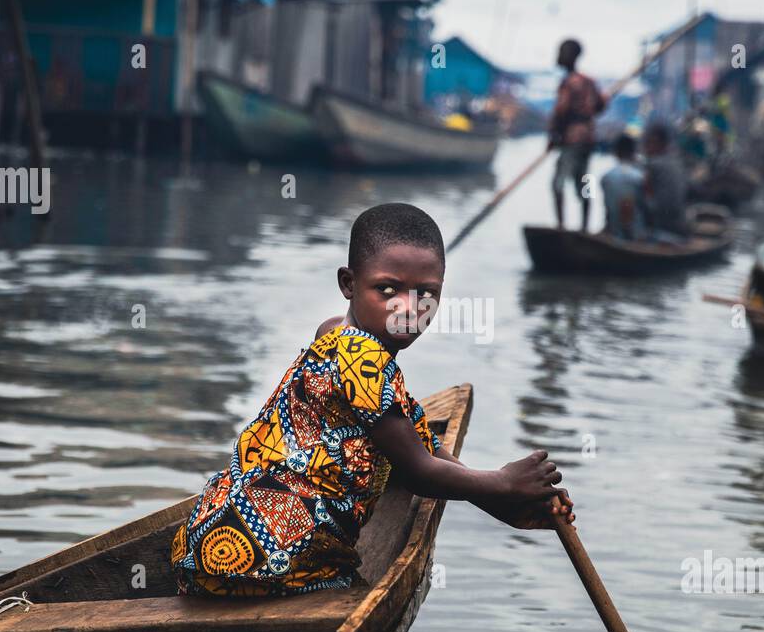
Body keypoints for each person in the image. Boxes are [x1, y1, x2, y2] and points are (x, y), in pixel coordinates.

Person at [171, 203, 574, 598]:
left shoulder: (333, 333)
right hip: (268, 560)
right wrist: (503, 481)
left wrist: (502, 501)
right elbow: (417, 470)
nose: (407, 309)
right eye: (387, 290)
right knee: (354, 590)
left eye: (426, 294)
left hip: (209, 544)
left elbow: (415, 442)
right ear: (348, 283)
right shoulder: (365, 360)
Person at [548, 39, 606, 230]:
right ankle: (585, 227)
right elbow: (600, 106)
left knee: (558, 184)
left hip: (572, 140)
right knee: (585, 182)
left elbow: (561, 112)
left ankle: (561, 226)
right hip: (588, 140)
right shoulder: (590, 82)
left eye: (560, 52)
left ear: (569, 56)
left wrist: (552, 137)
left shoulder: (568, 83)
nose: (558, 56)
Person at [641, 122, 689, 242]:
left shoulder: (652, 164)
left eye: (649, 144)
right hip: (681, 227)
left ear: (660, 144)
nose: (646, 148)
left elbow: (644, 194)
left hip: (661, 227)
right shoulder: (677, 163)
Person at [599, 134, 645, 240]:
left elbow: (608, 210)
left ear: (616, 153)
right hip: (637, 235)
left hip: (614, 233)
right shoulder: (640, 177)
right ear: (633, 152)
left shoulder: (606, 177)